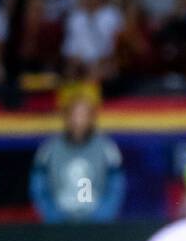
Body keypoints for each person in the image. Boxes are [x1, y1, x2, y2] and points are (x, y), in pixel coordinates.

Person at [30, 86, 126, 223]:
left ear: (91, 118)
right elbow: (38, 188)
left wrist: (102, 217)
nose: (78, 121)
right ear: (66, 117)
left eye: (83, 115)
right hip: (58, 226)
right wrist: (53, 218)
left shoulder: (107, 148)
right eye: (74, 115)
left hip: (97, 226)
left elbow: (116, 188)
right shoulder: (49, 149)